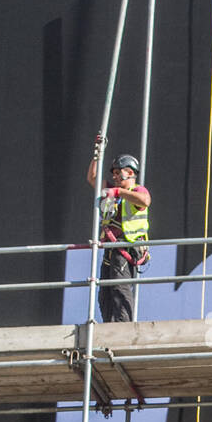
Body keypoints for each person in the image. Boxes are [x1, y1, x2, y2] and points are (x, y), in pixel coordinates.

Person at [86, 133, 151, 323]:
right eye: (113, 173)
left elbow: (145, 201)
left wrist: (119, 191)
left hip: (126, 247)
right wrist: (98, 153)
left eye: (118, 172)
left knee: (119, 288)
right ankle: (109, 326)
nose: (114, 177)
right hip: (111, 249)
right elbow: (93, 178)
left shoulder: (136, 191)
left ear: (130, 172)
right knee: (105, 292)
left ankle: (123, 327)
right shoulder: (115, 194)